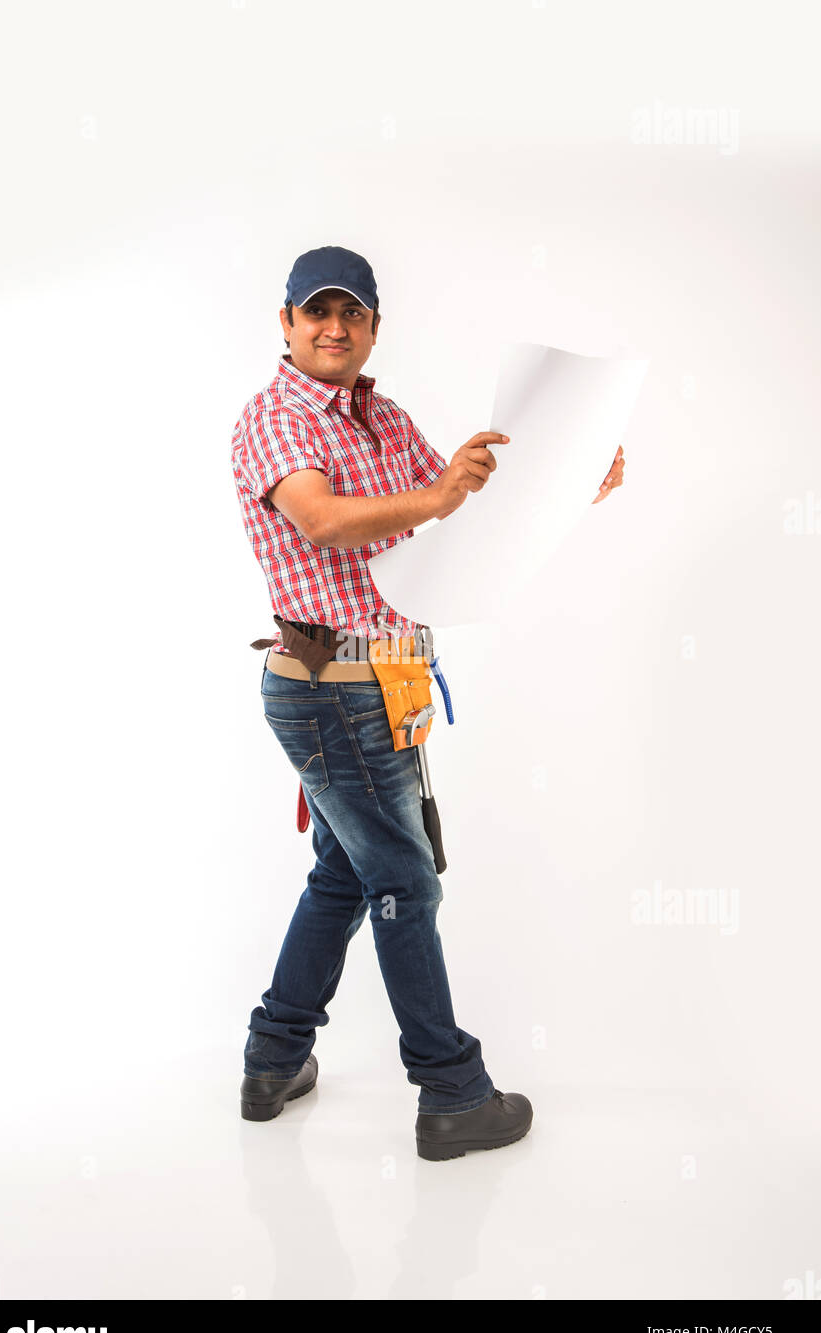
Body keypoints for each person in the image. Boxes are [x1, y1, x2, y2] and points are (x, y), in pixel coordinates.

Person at [229, 245, 625, 1160]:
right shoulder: (276, 416)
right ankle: (451, 1092)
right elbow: (321, 519)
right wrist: (441, 491)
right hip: (334, 691)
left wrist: (574, 488)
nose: (335, 327)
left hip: (383, 686)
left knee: (345, 876)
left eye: (353, 313)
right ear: (287, 323)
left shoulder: (384, 418)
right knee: (404, 882)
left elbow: (460, 519)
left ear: (373, 327)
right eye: (317, 311)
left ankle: (272, 1059)